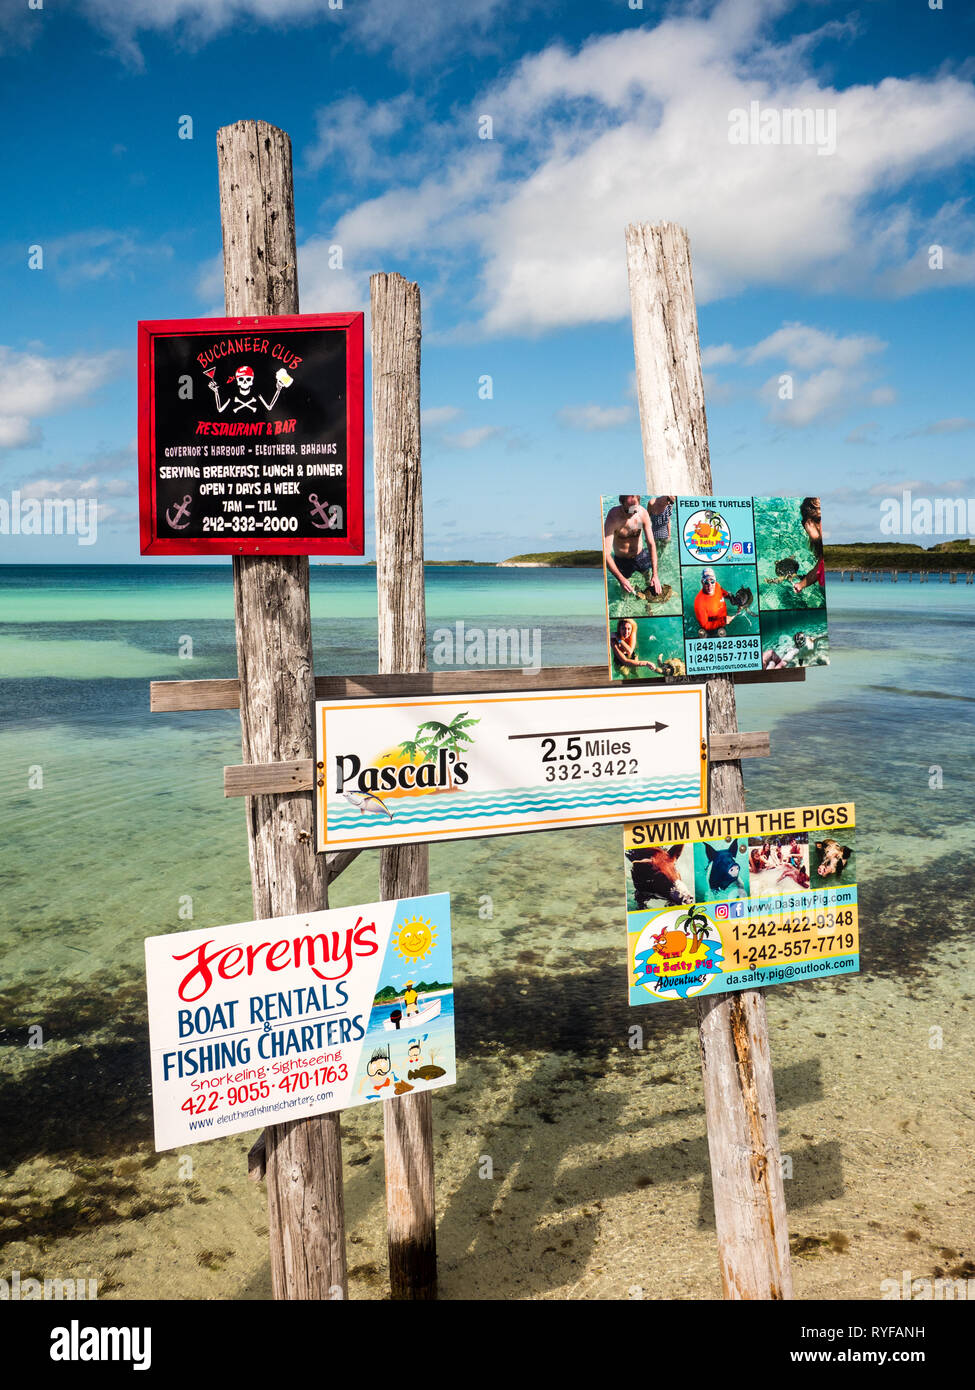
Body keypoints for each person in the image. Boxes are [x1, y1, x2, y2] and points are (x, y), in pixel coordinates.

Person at [604, 495, 662, 597]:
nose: (632, 513)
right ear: (622, 503)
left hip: (640, 555)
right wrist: (621, 580)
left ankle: (648, 607)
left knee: (650, 583)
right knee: (625, 592)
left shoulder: (641, 514)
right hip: (622, 561)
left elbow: (651, 544)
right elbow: (606, 554)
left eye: (635, 509)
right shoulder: (613, 518)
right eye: (629, 510)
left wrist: (655, 575)